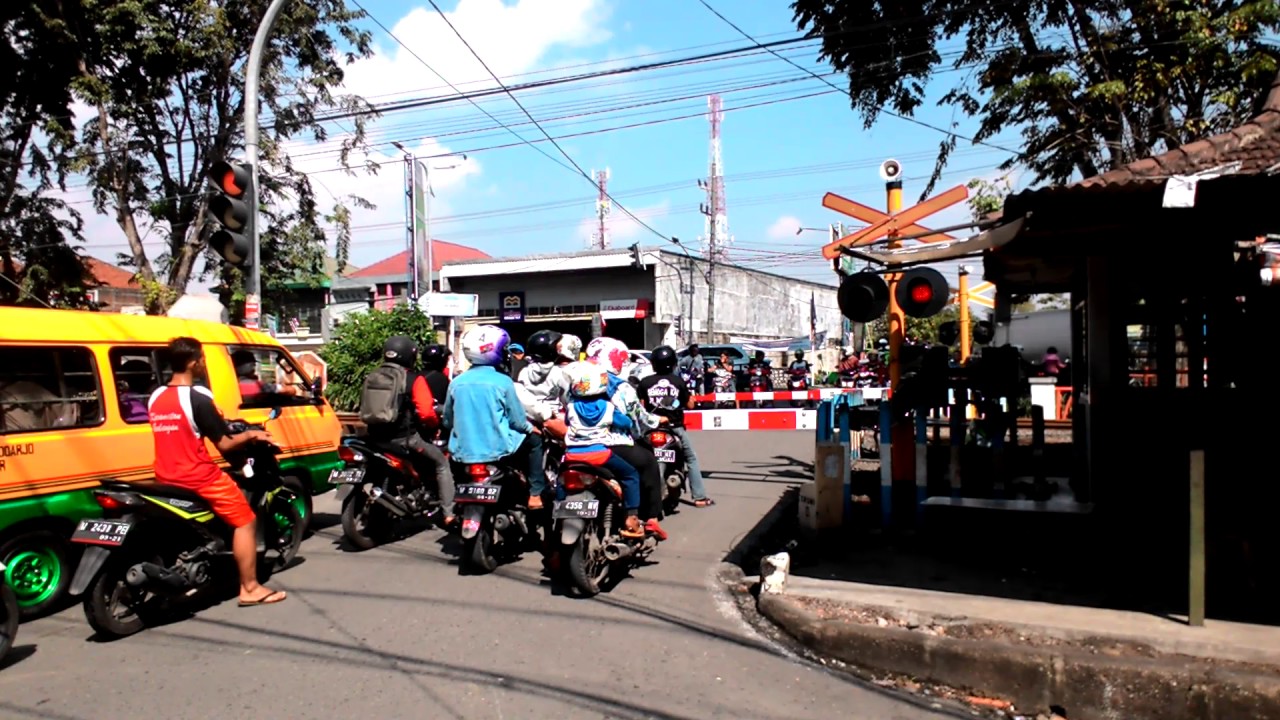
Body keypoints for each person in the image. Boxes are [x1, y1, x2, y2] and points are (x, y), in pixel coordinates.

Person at [148, 337, 285, 606]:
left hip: (165, 475)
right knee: (245, 520)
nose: (203, 363)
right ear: (191, 362)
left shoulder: (156, 396)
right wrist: (252, 434)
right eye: (201, 358)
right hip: (198, 476)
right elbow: (224, 442)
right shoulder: (197, 399)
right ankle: (250, 588)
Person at [442, 326, 545, 508]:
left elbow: (448, 421)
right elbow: (517, 421)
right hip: (499, 451)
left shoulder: (456, 383)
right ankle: (535, 493)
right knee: (536, 442)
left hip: (462, 453)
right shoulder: (503, 382)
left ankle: (450, 510)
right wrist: (531, 428)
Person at [361, 336, 456, 528]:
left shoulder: (372, 375)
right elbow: (427, 413)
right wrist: (433, 428)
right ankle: (449, 513)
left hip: (375, 438)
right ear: (409, 356)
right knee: (442, 463)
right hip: (405, 438)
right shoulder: (413, 378)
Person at [585, 336, 667, 533]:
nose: (622, 364)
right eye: (620, 359)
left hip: (575, 444)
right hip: (613, 444)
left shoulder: (575, 381)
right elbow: (638, 420)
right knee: (648, 462)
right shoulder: (621, 388)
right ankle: (650, 517)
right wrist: (655, 422)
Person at [563, 361, 647, 538]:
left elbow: (567, 423)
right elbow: (626, 423)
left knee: (560, 483)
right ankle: (632, 517)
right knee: (630, 475)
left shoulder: (571, 407)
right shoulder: (608, 407)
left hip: (571, 456)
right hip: (600, 455)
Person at [638, 345, 713, 508]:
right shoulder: (678, 381)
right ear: (673, 363)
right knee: (690, 458)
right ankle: (699, 497)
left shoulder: (645, 383)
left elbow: (641, 407)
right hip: (675, 428)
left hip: (650, 428)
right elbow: (690, 405)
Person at [517, 329, 570, 441]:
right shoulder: (559, 373)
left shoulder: (524, 371)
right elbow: (567, 400)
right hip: (554, 421)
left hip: (530, 420)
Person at [231, 349, 299, 405]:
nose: (254, 367)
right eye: (253, 364)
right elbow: (290, 391)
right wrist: (288, 388)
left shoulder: (231, 382)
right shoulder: (255, 385)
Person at [421, 344, 452, 412]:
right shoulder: (441, 379)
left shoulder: (417, 374)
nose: (447, 362)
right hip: (433, 418)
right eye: (446, 359)